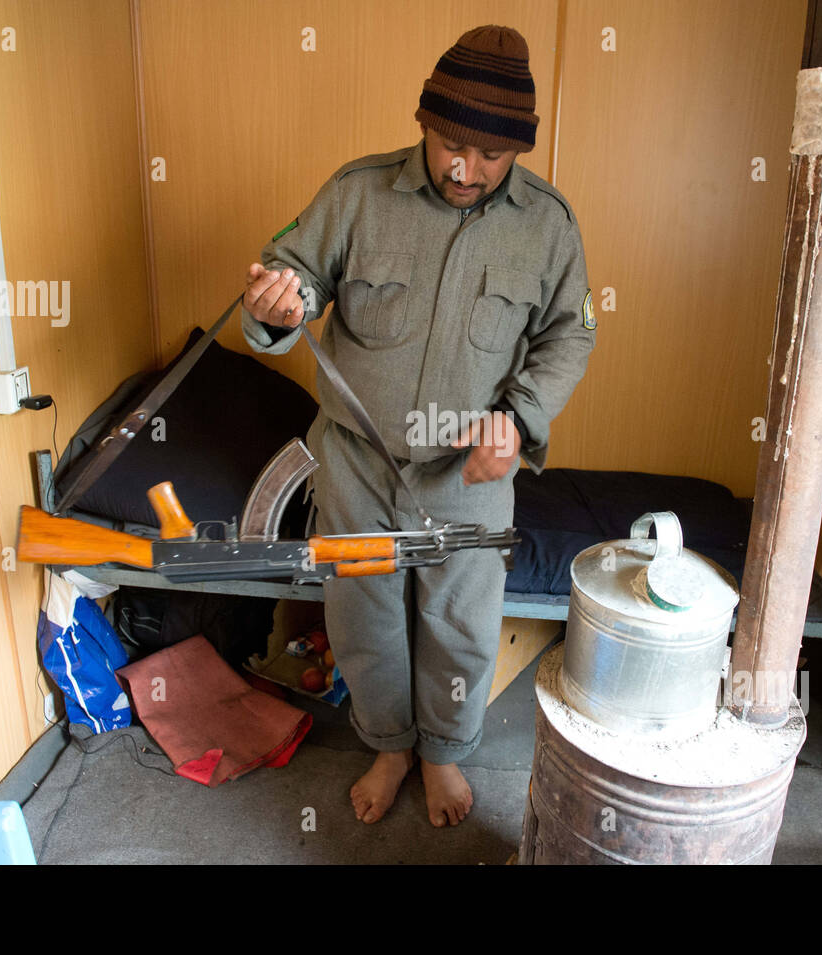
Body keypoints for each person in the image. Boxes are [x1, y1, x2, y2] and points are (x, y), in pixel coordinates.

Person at [240, 25, 595, 827]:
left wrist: (518, 419)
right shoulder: (357, 192)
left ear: (518, 152)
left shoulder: (547, 225)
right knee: (361, 615)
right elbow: (288, 277)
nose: (465, 169)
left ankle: (443, 752)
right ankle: (391, 744)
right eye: (449, 144)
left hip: (468, 473)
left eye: (491, 156)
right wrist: (273, 305)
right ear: (423, 122)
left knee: (460, 626)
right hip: (359, 461)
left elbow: (569, 334)